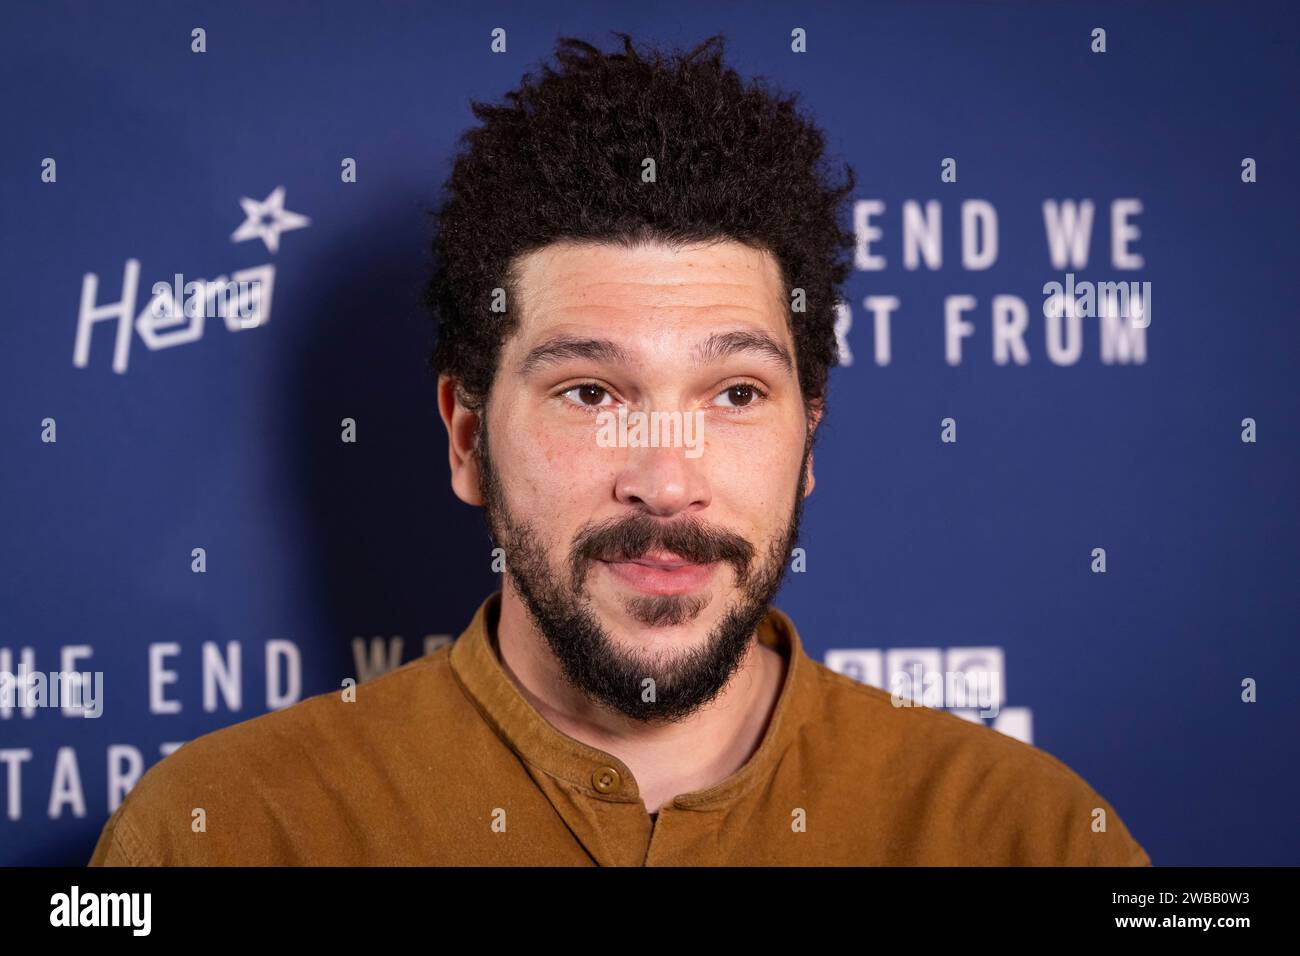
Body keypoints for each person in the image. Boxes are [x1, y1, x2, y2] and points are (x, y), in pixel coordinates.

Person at [89, 32, 1149, 867]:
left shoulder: (1029, 836)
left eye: (735, 392)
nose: (667, 476)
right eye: (590, 391)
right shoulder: (216, 834)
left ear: (808, 437)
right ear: (466, 437)